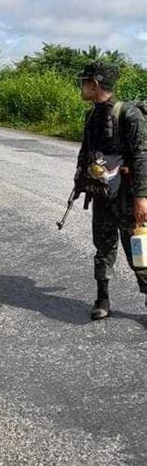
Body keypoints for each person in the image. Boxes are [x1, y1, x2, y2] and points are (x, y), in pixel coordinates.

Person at [75, 62, 147, 319]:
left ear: (94, 84)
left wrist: (142, 198)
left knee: (138, 250)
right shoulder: (91, 115)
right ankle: (102, 299)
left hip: (128, 196)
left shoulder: (129, 114)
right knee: (103, 247)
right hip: (103, 195)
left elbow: (141, 157)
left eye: (83, 82)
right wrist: (80, 182)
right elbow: (86, 152)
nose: (81, 87)